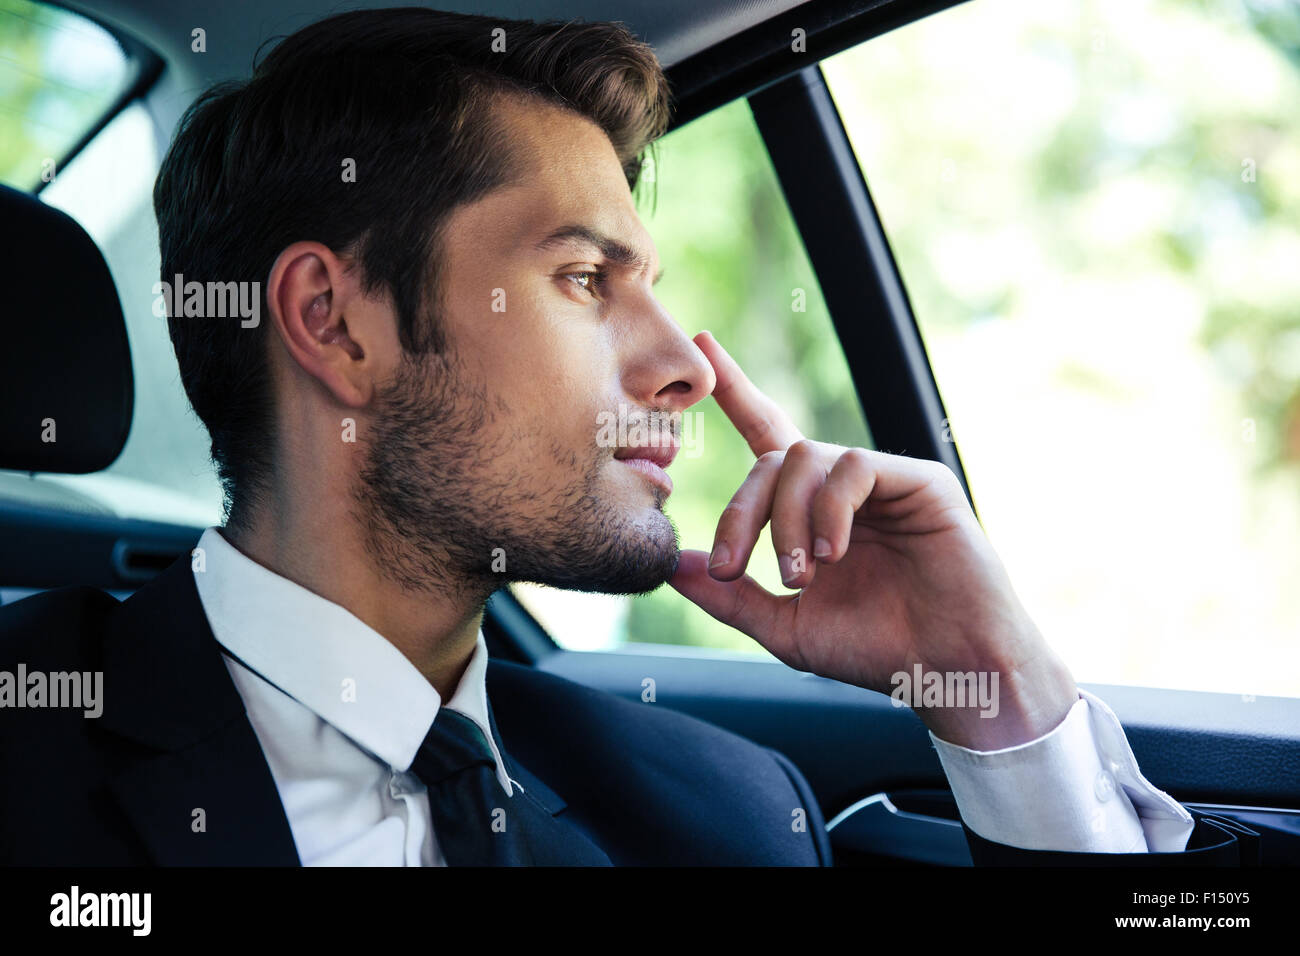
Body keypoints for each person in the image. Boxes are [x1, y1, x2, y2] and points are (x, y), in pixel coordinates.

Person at [0, 7, 1236, 865]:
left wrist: (997, 694)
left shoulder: (728, 811)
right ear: (335, 321)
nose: (684, 369)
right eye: (588, 278)